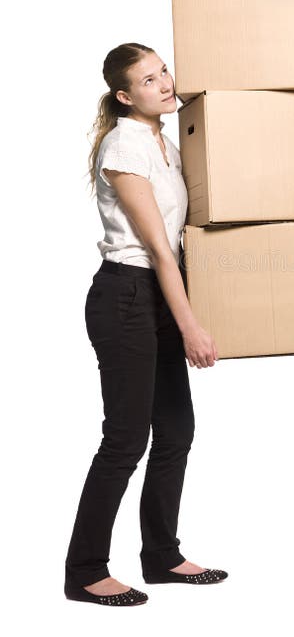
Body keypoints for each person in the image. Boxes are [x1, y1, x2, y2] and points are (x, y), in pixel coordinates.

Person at [65, 43, 227, 607]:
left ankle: (161, 556)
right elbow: (160, 250)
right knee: (126, 438)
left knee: (176, 429)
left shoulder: (165, 139)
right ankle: (84, 570)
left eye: (163, 72)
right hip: (127, 298)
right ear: (124, 95)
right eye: (148, 79)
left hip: (157, 295)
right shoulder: (124, 143)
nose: (163, 83)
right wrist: (192, 328)